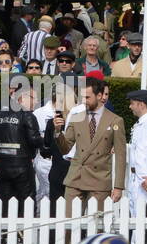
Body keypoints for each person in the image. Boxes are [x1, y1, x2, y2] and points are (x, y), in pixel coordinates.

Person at [54, 77, 126, 208]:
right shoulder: (76, 117)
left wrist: (118, 187)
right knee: (69, 224)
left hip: (100, 180)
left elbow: (121, 155)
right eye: (82, 98)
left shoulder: (116, 120)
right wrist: (58, 132)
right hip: (75, 178)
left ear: (99, 96)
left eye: (87, 97)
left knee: (97, 225)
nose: (83, 101)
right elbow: (65, 149)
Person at [0, 79, 46, 204]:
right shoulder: (27, 116)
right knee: (26, 204)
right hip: (23, 166)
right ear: (22, 97)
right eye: (33, 98)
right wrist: (46, 141)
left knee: (5, 204)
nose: (37, 102)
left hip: (2, 167)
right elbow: (34, 140)